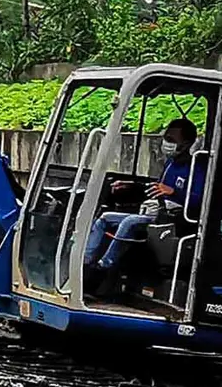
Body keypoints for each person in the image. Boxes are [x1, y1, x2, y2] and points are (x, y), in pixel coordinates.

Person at [86, 116, 206, 282]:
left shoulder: (195, 169)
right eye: (166, 137)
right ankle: (86, 261)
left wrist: (173, 192)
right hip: (155, 210)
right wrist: (132, 185)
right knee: (104, 219)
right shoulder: (170, 163)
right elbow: (156, 188)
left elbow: (199, 200)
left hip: (176, 218)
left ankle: (105, 266)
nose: (166, 142)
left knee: (129, 222)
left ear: (186, 144)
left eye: (171, 139)